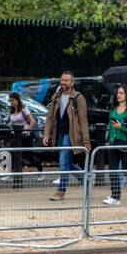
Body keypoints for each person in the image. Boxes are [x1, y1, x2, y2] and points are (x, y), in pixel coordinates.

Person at [42, 70, 91, 201]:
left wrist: (86, 141)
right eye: (62, 80)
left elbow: (83, 120)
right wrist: (47, 133)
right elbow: (50, 117)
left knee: (63, 162)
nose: (63, 82)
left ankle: (60, 191)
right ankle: (86, 180)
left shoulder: (78, 98)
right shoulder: (56, 97)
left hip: (71, 134)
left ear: (72, 82)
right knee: (68, 163)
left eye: (66, 80)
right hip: (60, 133)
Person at [6, 91, 41, 179]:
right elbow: (11, 122)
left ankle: (40, 170)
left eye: (13, 100)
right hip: (16, 135)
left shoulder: (24, 109)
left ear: (17, 100)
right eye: (10, 101)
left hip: (25, 135)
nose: (11, 103)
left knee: (29, 156)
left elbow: (32, 121)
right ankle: (11, 174)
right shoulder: (12, 110)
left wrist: (27, 130)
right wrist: (10, 128)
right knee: (10, 152)